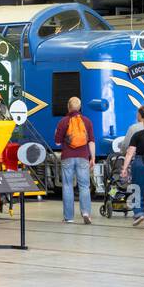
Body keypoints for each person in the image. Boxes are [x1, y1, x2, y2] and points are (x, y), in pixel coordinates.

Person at [54, 96, 95, 224]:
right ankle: (86, 212)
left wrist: (57, 133)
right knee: (84, 186)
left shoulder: (63, 121)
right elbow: (92, 141)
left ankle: (69, 217)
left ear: (68, 107)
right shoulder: (87, 121)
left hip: (67, 157)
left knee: (67, 186)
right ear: (80, 107)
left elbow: (57, 142)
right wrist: (92, 157)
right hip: (83, 157)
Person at [120, 107, 144, 228]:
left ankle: (139, 213)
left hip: (140, 163)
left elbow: (130, 152)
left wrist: (124, 168)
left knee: (136, 189)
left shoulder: (137, 134)